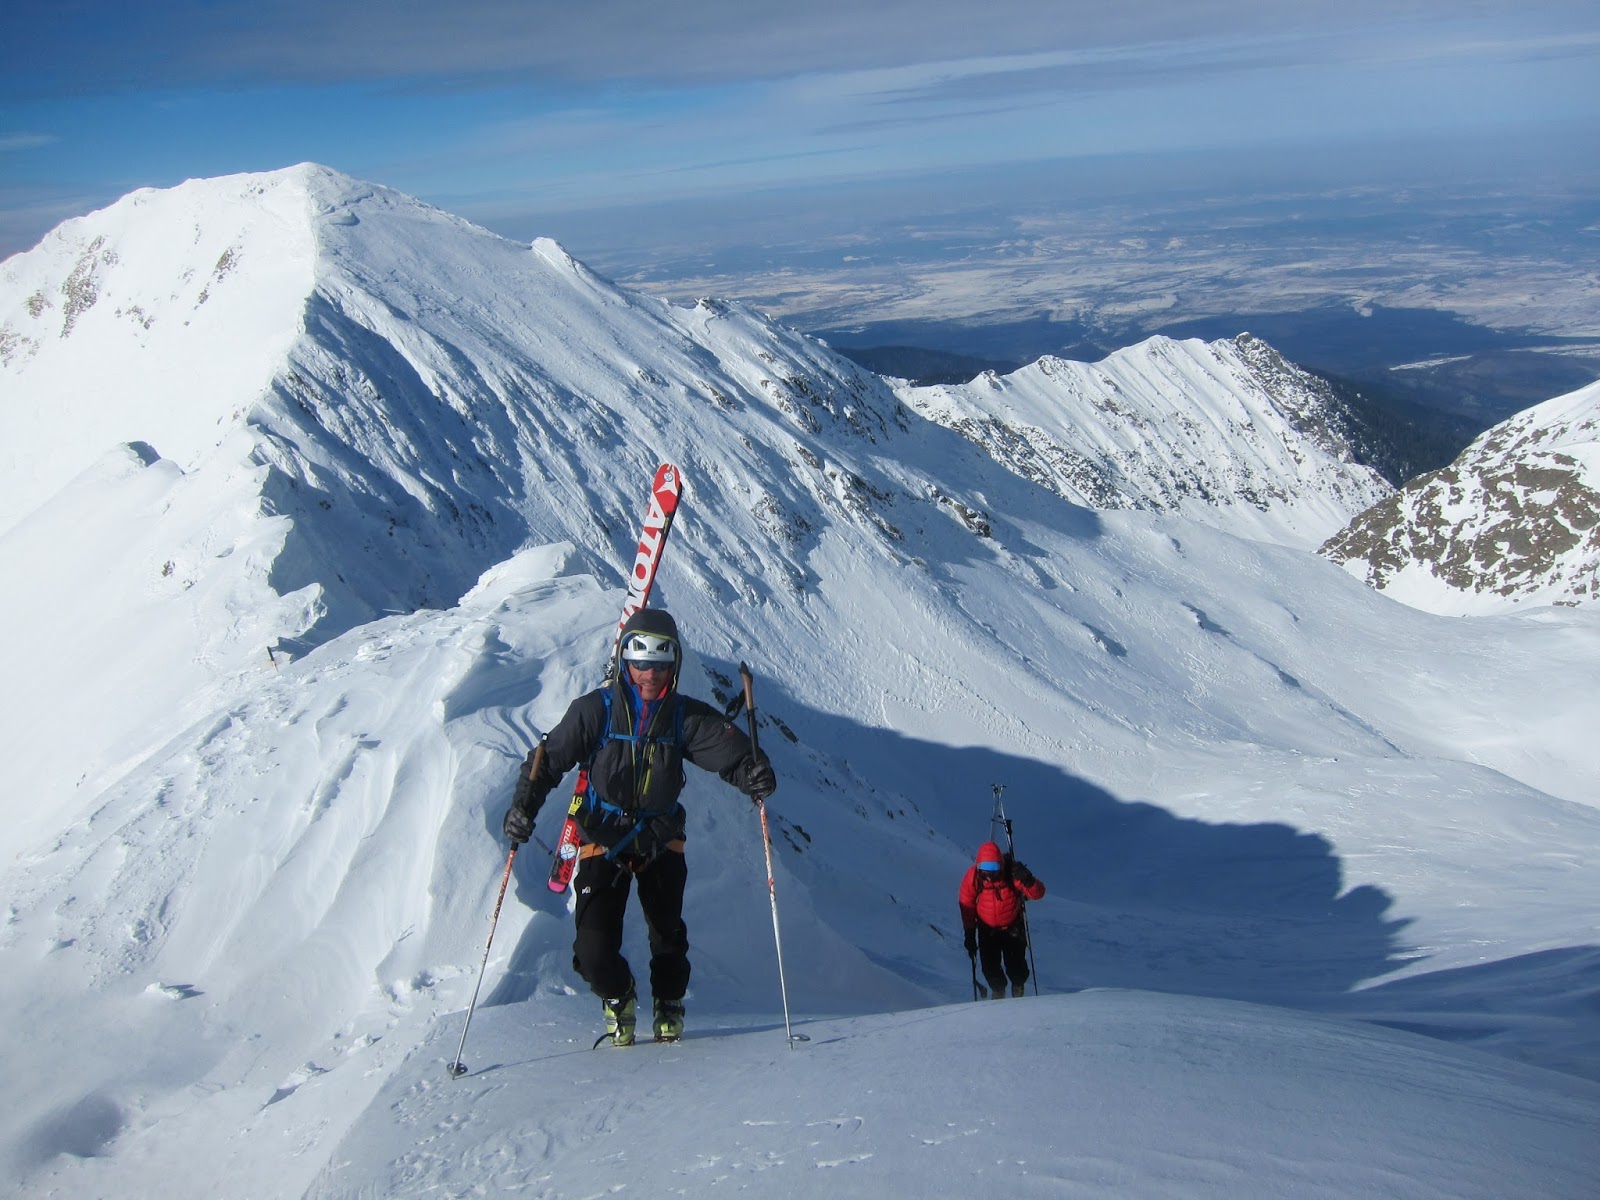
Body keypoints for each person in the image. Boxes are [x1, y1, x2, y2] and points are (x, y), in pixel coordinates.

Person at [503, 608, 776, 1045]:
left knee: (667, 934)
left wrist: (755, 775)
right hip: (600, 834)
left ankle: (669, 1000)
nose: (650, 676)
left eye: (660, 666)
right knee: (592, 952)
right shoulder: (594, 711)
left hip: (661, 834)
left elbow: (735, 756)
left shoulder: (682, 717)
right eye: (641, 664)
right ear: (625, 664)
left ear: (674, 666)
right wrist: (523, 807)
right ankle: (619, 993)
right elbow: (547, 762)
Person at [958, 841, 1045, 998]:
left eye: (994, 869)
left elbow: (1038, 894)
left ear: (1001, 865)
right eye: (985, 870)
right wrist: (969, 934)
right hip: (987, 929)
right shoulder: (973, 878)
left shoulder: (1014, 874)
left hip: (1012, 927)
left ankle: (1017, 991)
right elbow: (967, 906)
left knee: (1017, 967)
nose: (989, 876)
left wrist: (1028, 879)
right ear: (978, 867)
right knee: (990, 969)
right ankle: (998, 994)